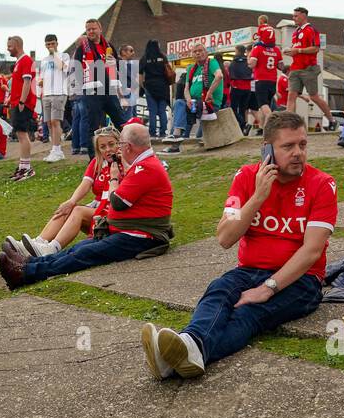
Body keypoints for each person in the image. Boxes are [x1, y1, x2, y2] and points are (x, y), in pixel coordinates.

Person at [140, 111, 333, 380]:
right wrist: (257, 197)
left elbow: (311, 251)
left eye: (302, 144)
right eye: (288, 146)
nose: (298, 153)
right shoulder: (245, 178)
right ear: (266, 149)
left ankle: (176, 358)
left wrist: (267, 288)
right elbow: (225, 238)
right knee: (218, 291)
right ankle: (189, 345)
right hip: (249, 269)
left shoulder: (322, 184)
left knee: (249, 313)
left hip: (302, 281)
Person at [0, 123, 173, 288]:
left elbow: (117, 202)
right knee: (79, 248)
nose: (116, 149)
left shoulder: (145, 168)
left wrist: (113, 179)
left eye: (118, 144)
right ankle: (29, 262)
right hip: (128, 229)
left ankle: (25, 273)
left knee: (85, 254)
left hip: (140, 236)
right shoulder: (142, 165)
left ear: (127, 147)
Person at [9, 126, 120, 259]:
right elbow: (85, 185)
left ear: (119, 144)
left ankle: (52, 248)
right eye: (103, 147)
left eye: (111, 144)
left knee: (78, 210)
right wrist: (71, 201)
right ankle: (38, 243)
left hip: (113, 212)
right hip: (99, 208)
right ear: (98, 149)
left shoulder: (124, 163)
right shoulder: (97, 162)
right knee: (68, 207)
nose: (108, 150)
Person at [74, 18, 125, 134]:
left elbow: (118, 65)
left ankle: (126, 149)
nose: (91, 31)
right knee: (94, 125)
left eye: (94, 29)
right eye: (88, 30)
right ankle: (93, 152)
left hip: (109, 90)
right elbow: (76, 69)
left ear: (100, 29)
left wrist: (115, 62)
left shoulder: (109, 46)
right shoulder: (82, 48)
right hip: (93, 92)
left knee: (121, 122)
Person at [286, 7, 333, 128]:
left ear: (303, 15)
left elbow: (315, 48)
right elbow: (296, 49)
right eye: (293, 16)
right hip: (295, 68)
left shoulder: (311, 30)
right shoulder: (296, 32)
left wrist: (298, 50)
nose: (293, 18)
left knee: (314, 96)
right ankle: (289, 124)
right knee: (291, 95)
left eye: (296, 16)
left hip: (308, 68)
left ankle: (331, 120)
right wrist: (291, 51)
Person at [7, 35, 37, 181]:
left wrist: (21, 101)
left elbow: (27, 82)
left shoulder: (25, 60)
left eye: (10, 46)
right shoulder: (20, 62)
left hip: (22, 103)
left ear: (17, 45)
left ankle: (26, 167)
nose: (8, 49)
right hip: (17, 102)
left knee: (22, 134)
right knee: (20, 134)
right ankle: (23, 166)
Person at [38, 34, 70, 162]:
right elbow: (42, 75)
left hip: (59, 92)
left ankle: (57, 150)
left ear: (57, 43)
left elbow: (63, 68)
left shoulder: (64, 55)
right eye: (48, 44)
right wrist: (41, 82)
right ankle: (55, 149)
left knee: (56, 121)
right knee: (49, 123)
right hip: (46, 93)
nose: (50, 46)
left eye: (52, 43)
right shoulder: (44, 60)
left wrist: (54, 54)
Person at [248, 28, 283, 136]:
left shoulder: (257, 48)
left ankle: (274, 123)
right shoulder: (277, 49)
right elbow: (281, 66)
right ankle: (262, 128)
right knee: (265, 105)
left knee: (263, 105)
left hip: (261, 80)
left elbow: (252, 64)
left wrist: (249, 57)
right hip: (272, 80)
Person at [139, 39, 173, 141]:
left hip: (150, 86)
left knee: (152, 111)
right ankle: (163, 133)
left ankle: (152, 133)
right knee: (162, 111)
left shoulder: (144, 58)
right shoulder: (163, 57)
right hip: (163, 86)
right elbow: (168, 70)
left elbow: (140, 75)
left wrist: (143, 86)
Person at [185, 43, 224, 123]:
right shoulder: (190, 68)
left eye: (200, 50)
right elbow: (186, 88)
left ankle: (183, 134)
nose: (198, 53)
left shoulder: (212, 62)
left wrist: (209, 93)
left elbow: (219, 76)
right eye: (195, 51)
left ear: (206, 53)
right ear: (192, 55)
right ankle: (179, 133)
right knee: (179, 103)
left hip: (209, 102)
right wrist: (188, 100)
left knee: (205, 130)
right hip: (194, 102)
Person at [117, 43, 141, 123]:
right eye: (131, 51)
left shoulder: (131, 64)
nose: (133, 53)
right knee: (128, 117)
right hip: (124, 92)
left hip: (132, 92)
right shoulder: (118, 64)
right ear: (124, 52)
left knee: (133, 116)